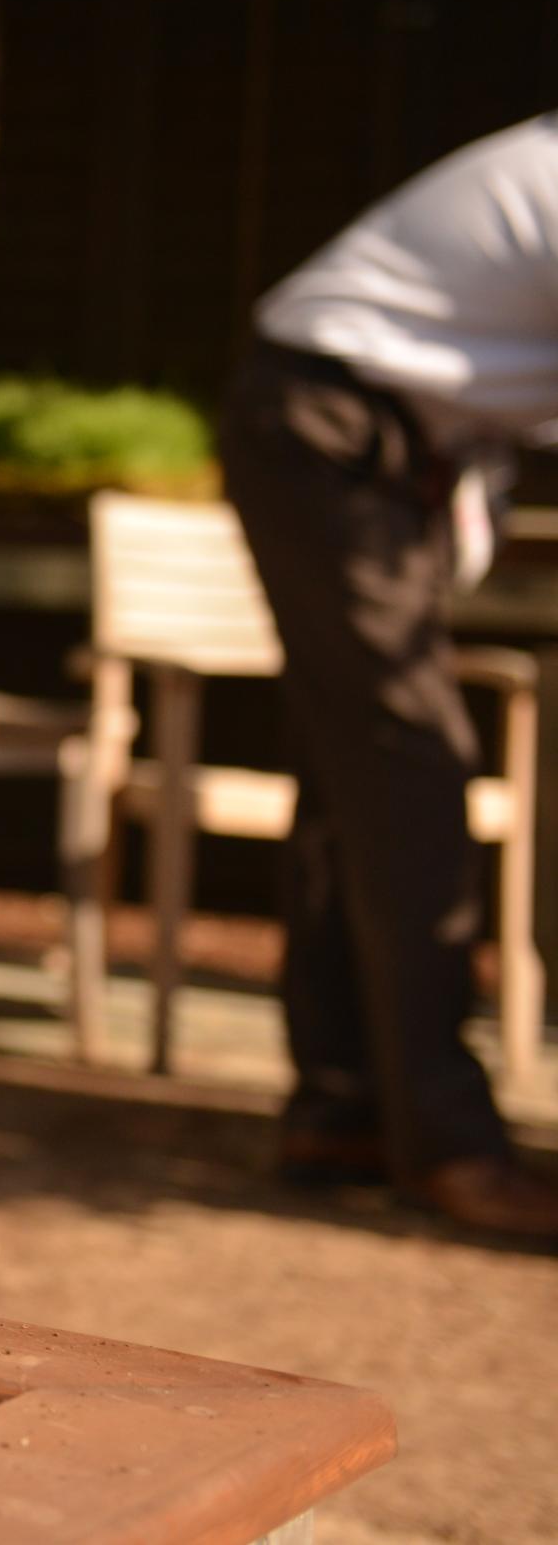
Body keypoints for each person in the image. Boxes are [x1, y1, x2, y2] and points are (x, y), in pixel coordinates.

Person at [221, 112, 558, 1241]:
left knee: (354, 775)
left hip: (370, 432)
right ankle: (446, 1141)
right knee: (413, 760)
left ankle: (341, 1107)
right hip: (328, 419)